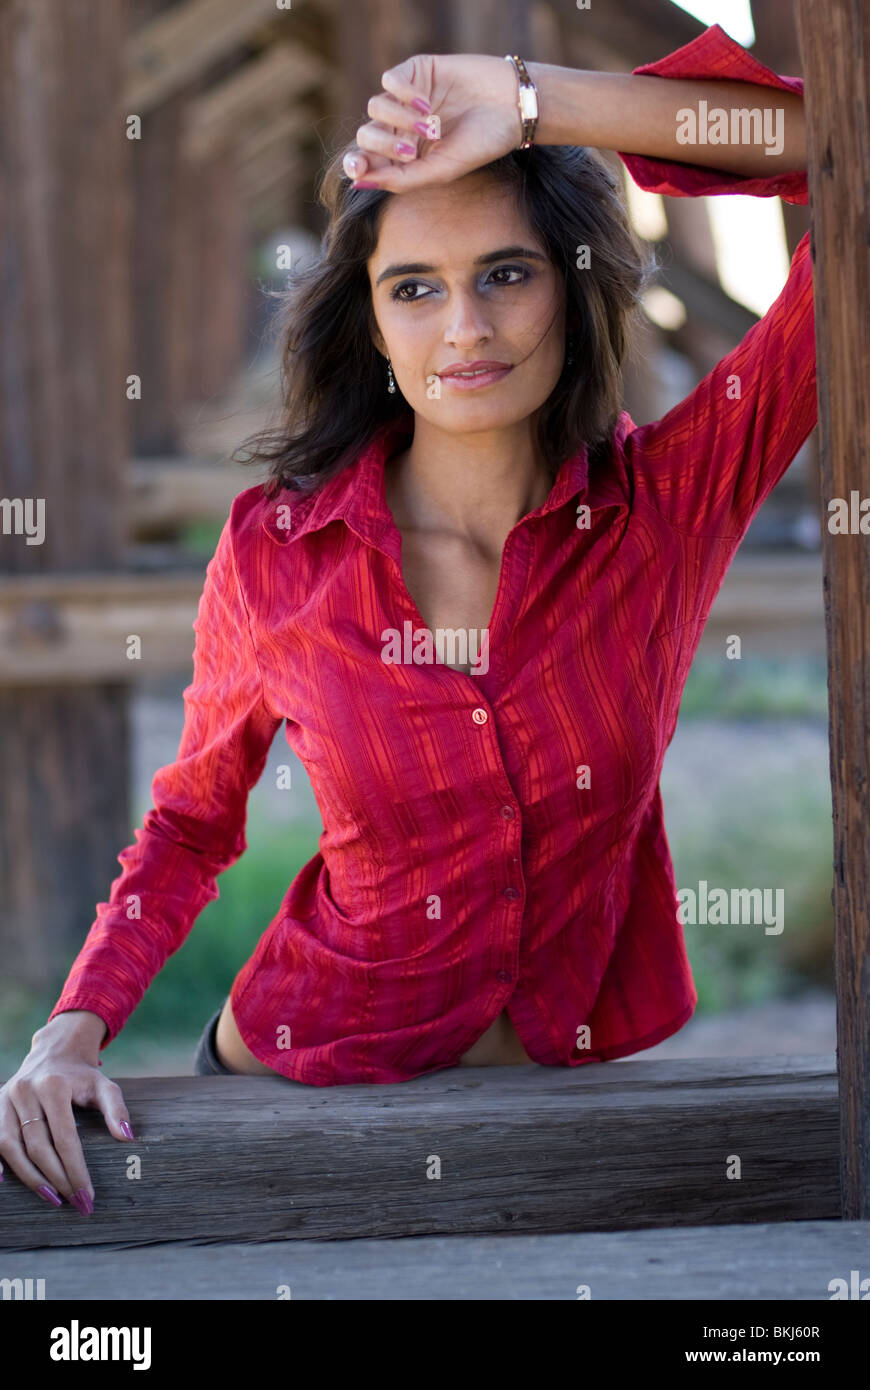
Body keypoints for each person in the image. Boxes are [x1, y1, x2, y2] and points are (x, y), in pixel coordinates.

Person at [0, 24, 814, 1216]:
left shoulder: (669, 506)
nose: (465, 330)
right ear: (372, 326)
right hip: (294, 1093)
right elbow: (187, 827)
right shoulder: (279, 557)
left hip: (565, 1116)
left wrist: (534, 103)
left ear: (573, 285)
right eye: (414, 289)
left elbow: (839, 156)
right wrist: (67, 1033)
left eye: (507, 273)